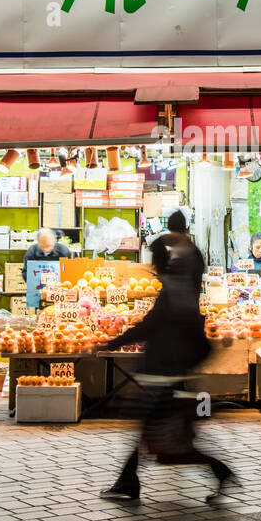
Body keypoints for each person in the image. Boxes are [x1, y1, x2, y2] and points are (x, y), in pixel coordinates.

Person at [99, 208, 231, 502]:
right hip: (171, 370)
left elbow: (149, 326)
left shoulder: (173, 293)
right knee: (159, 433)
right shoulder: (182, 286)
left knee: (164, 435)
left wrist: (113, 343)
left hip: (163, 373)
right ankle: (129, 481)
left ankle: (218, 471)